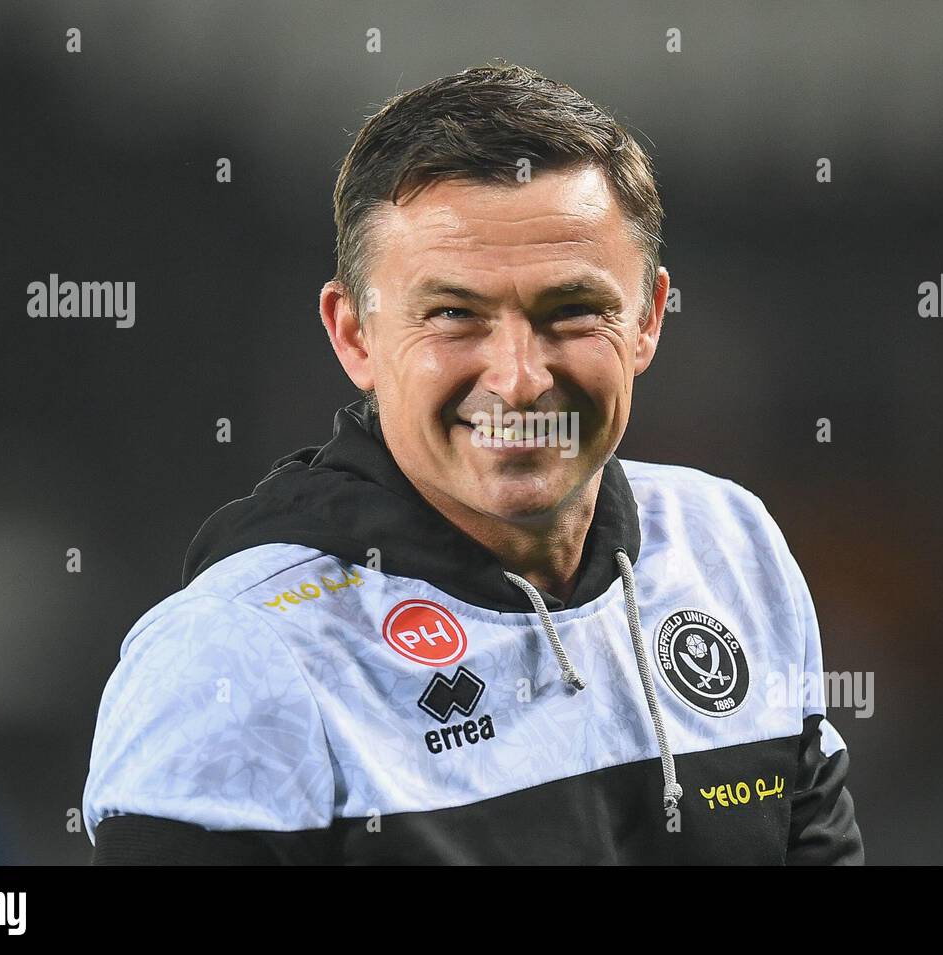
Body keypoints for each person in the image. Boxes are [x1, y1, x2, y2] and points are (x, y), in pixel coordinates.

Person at [82, 62, 863, 864]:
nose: (519, 378)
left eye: (572, 311)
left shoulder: (730, 547)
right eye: (454, 313)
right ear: (354, 335)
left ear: (647, 320)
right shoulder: (236, 653)